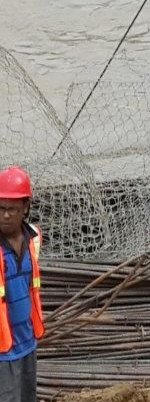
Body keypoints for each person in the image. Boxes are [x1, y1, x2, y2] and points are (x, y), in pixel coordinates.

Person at [0, 166, 42, 402]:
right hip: (2, 349)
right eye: (1, 208)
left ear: (25, 208)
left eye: (13, 209)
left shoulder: (33, 239)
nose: (6, 215)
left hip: (27, 341)